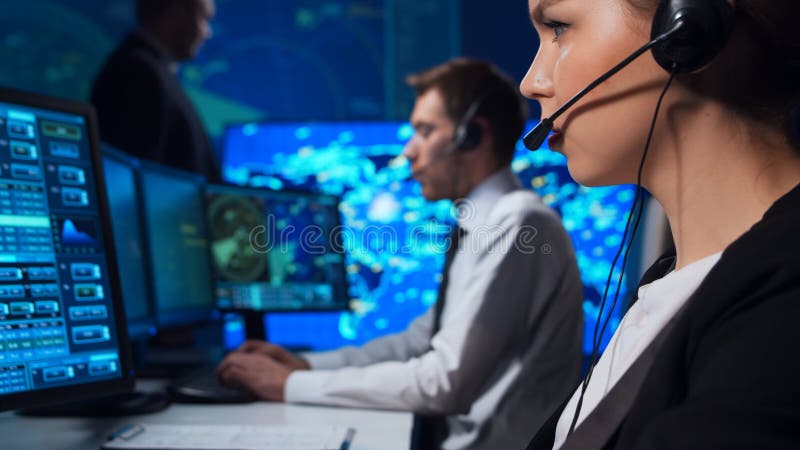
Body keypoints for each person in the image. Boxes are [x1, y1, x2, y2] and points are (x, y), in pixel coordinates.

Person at [217, 58, 584, 450]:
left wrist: (289, 385)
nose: (409, 151)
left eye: (425, 131)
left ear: (473, 136)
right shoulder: (486, 223)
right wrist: (304, 365)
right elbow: (419, 340)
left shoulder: (518, 224)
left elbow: (443, 383)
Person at [520, 0, 800, 449]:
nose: (531, 82)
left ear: (689, 25)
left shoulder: (781, 313)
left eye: (558, 27)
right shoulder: (671, 290)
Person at [91, 0, 220, 182]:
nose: (208, 33)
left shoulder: (150, 70)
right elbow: (141, 176)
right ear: (175, 11)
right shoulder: (139, 73)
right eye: (204, 18)